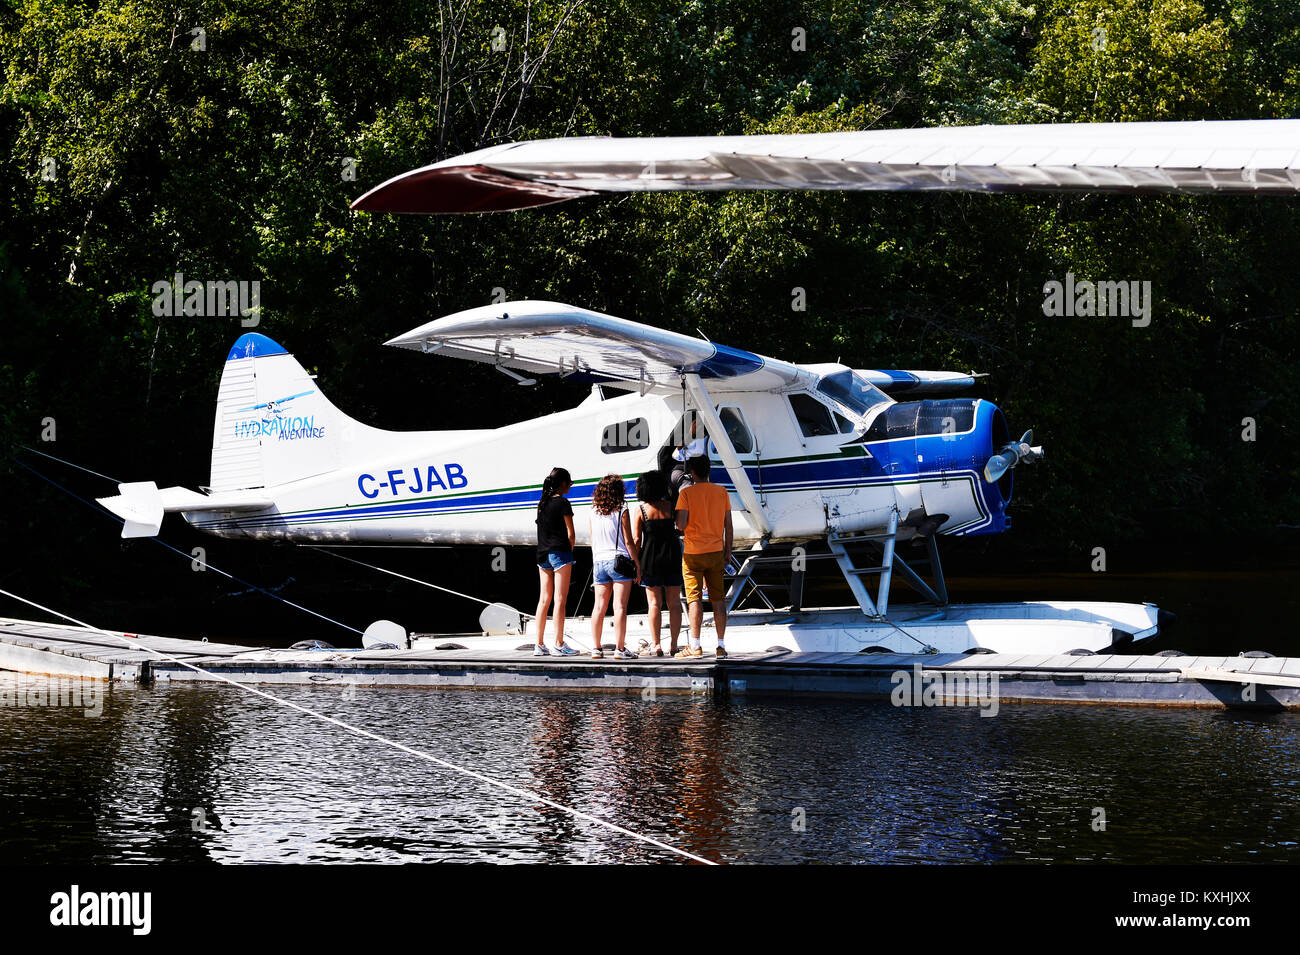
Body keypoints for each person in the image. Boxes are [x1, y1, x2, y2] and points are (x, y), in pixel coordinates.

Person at [675, 455, 732, 659]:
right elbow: (728, 525)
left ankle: (696, 645)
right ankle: (721, 646)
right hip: (716, 551)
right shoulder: (722, 492)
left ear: (692, 472)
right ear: (708, 470)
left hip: (693, 553)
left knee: (694, 599)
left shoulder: (686, 494)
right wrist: (728, 551)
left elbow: (681, 525)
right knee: (718, 600)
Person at [631, 470, 683, 657]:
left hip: (650, 559)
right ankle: (675, 645)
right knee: (674, 603)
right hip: (672, 556)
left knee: (654, 604)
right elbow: (682, 525)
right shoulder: (670, 506)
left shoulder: (641, 510)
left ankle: (656, 644)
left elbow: (636, 540)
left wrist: (635, 563)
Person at [588, 473, 640, 660]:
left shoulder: (592, 511)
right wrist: (637, 565)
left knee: (599, 607)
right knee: (619, 607)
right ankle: (620, 649)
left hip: (599, 561)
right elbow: (628, 541)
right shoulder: (622, 510)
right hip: (619, 562)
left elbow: (593, 540)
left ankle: (596, 648)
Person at [534, 467, 579, 656]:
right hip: (560, 552)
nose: (570, 486)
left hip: (542, 554)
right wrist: (570, 550)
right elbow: (571, 534)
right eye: (569, 483)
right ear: (562, 484)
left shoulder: (542, 503)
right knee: (560, 599)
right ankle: (559, 644)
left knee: (544, 599)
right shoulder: (563, 503)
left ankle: (539, 644)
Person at [670, 416, 708, 492]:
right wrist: (690, 436)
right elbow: (675, 455)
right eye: (696, 427)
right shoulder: (692, 442)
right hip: (682, 471)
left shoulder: (709, 441)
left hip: (699, 472)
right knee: (688, 486)